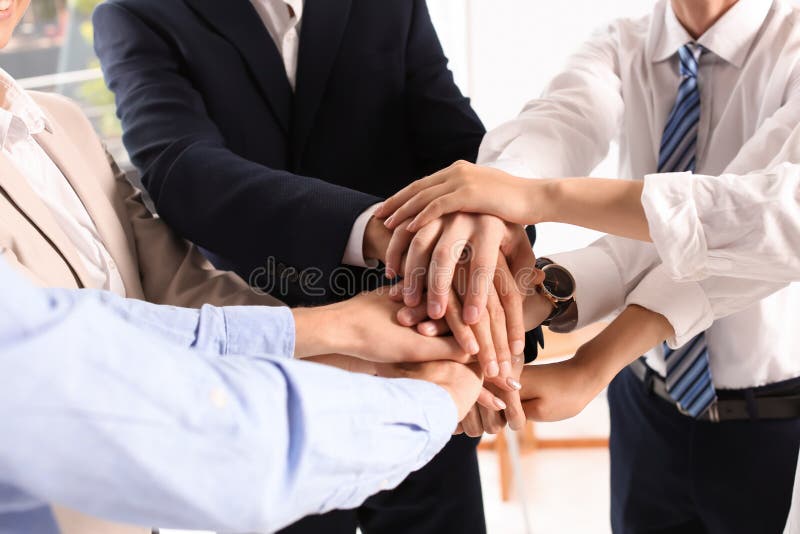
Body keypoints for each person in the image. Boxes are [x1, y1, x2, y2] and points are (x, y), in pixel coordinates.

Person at [0, 1, 500, 532]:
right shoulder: (137, 12)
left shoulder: (63, 123)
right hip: (218, 413)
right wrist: (367, 280)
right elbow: (181, 167)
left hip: (402, 329)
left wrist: (494, 248)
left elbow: (175, 282)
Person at [380, 0, 800, 532]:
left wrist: (535, 199)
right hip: (645, 403)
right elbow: (561, 122)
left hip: (776, 422)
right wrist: (496, 208)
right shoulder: (622, 42)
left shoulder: (792, 47)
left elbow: (749, 226)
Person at [0, 256, 485, 534]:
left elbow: (92, 321)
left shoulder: (61, 123)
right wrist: (435, 399)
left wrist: (324, 331)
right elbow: (236, 451)